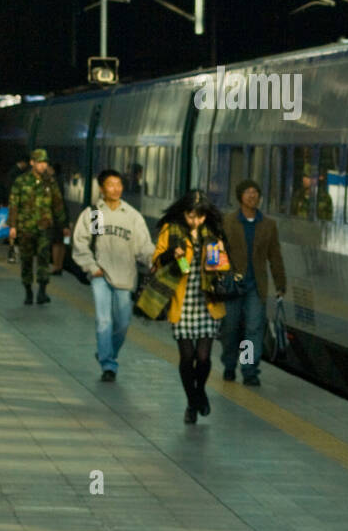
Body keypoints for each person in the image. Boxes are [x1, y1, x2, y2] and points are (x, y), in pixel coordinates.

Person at [145, 190, 227, 423]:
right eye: (191, 215)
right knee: (186, 356)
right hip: (181, 301)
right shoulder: (171, 230)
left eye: (200, 216)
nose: (196, 221)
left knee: (203, 357)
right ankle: (192, 402)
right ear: (183, 212)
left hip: (206, 303)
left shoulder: (212, 233)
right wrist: (173, 253)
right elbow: (157, 259)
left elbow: (221, 264)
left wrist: (217, 264)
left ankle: (199, 392)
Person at [72, 169, 155, 382]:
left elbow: (143, 246)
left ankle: (106, 353)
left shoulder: (131, 216)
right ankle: (108, 364)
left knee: (123, 322)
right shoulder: (96, 213)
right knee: (104, 321)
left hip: (125, 276)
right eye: (111, 184)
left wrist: (153, 261)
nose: (116, 189)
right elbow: (82, 242)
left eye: (119, 184)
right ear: (101, 188)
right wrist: (91, 267)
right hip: (101, 274)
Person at [221, 179, 287, 387]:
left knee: (253, 329)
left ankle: (249, 369)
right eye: (248, 193)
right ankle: (230, 364)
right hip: (232, 285)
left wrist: (280, 284)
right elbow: (216, 251)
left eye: (256, 193)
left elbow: (274, 255)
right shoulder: (228, 222)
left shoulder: (268, 225)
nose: (253, 196)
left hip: (255, 287)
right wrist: (219, 277)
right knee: (230, 328)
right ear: (240, 197)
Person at [8, 148, 69, 305]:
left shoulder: (51, 182)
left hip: (44, 227)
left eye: (45, 162)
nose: (43, 166)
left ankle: (42, 291)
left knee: (43, 258)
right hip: (25, 228)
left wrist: (63, 224)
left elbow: (58, 204)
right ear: (32, 163)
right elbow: (14, 204)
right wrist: (12, 226)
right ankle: (28, 292)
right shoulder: (21, 181)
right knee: (26, 259)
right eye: (40, 162)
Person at [5, 156, 29, 264]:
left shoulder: (13, 172)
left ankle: (12, 250)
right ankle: (14, 250)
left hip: (13, 203)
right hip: (18, 204)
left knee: (13, 227)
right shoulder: (18, 174)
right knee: (15, 227)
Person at [47, 162, 67, 276]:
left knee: (55, 242)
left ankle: (55, 266)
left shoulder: (53, 181)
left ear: (52, 169)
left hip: (56, 216)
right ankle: (60, 266)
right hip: (64, 215)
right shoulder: (60, 180)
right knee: (63, 242)